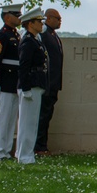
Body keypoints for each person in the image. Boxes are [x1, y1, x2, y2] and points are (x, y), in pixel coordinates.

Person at [0, 3, 23, 162]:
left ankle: (6, 150)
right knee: (2, 119)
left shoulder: (15, 35)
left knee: (10, 120)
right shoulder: (2, 35)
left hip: (13, 83)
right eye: (17, 15)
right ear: (7, 17)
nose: (19, 18)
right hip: (4, 83)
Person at [16, 8, 48, 165]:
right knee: (27, 123)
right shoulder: (28, 42)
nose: (42, 24)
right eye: (39, 22)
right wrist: (25, 87)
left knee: (32, 122)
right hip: (30, 84)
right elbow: (24, 66)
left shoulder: (36, 40)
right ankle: (24, 156)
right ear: (30, 24)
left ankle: (27, 154)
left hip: (36, 83)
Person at [36, 8, 64, 154]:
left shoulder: (54, 35)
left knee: (47, 116)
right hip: (46, 83)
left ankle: (42, 145)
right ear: (48, 18)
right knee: (42, 116)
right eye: (57, 18)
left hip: (54, 83)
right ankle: (39, 146)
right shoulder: (43, 35)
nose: (60, 21)